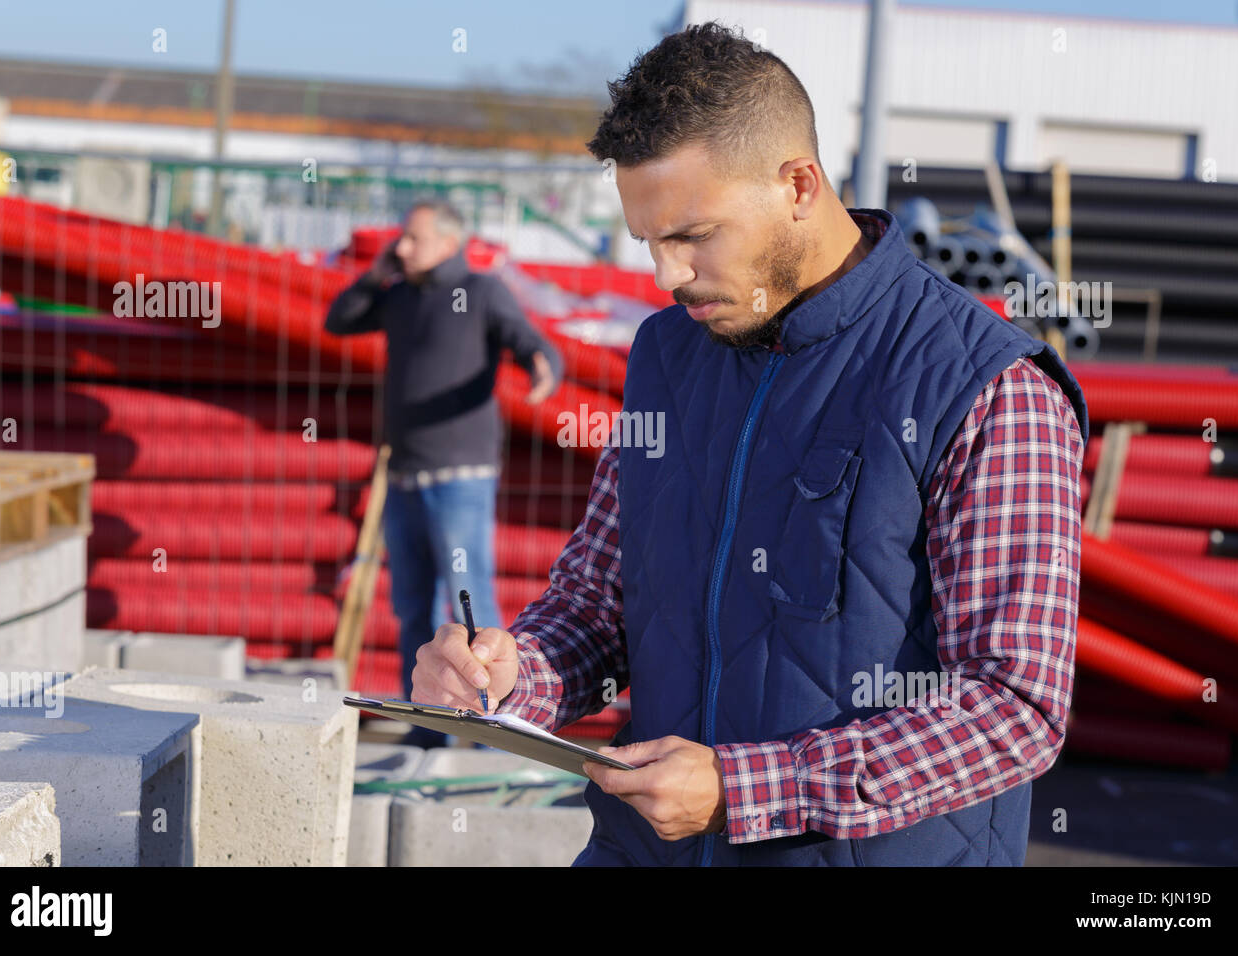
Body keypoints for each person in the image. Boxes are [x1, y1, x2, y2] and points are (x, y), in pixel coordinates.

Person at [410, 22, 1089, 865]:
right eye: (650, 241)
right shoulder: (666, 356)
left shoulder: (987, 388)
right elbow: (598, 606)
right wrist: (508, 677)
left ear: (798, 185)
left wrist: (745, 789)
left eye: (693, 236)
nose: (666, 274)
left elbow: (1012, 709)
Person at [325, 199, 564, 748]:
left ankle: (488, 729)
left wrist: (542, 364)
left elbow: (527, 339)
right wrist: (379, 271)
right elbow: (338, 320)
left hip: (460, 475)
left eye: (413, 239)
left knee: (465, 600)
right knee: (412, 605)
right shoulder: (401, 296)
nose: (402, 247)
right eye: (400, 239)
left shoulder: (479, 292)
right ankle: (429, 728)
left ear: (449, 242)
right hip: (406, 475)